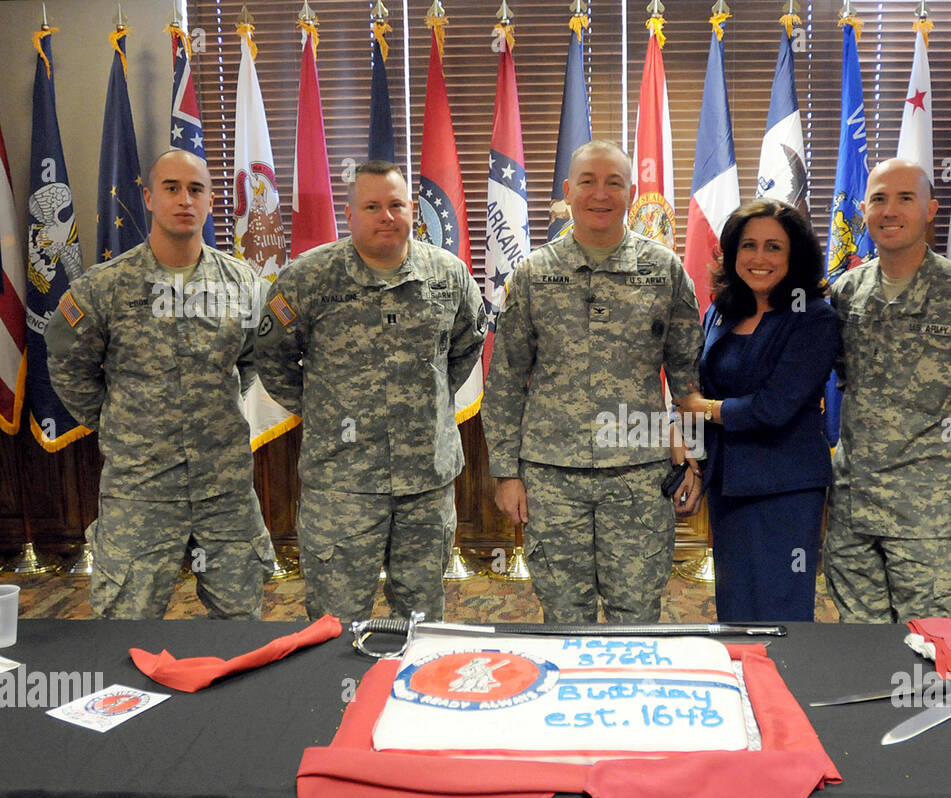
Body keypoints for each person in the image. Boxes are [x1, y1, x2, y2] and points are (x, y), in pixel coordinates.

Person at [254, 159, 486, 625]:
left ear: (411, 210)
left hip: (426, 483)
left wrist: (429, 403)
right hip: (342, 486)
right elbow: (272, 357)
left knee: (422, 619)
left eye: (396, 205)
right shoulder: (309, 278)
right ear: (350, 213)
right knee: (334, 624)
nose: (387, 216)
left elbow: (467, 346)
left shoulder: (449, 276)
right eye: (373, 206)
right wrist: (322, 409)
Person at [45, 149, 274, 619]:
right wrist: (116, 421)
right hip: (141, 490)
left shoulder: (244, 285)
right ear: (149, 198)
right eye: (171, 188)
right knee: (124, 632)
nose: (184, 199)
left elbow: (252, 362)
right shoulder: (104, 288)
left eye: (196, 189)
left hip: (223, 489)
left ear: (212, 201)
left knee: (242, 628)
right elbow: (69, 366)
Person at [481, 139, 702, 623]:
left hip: (640, 476)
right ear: (567, 191)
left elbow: (688, 380)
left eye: (613, 182)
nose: (600, 194)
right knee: (564, 619)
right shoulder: (534, 274)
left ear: (632, 191)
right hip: (551, 476)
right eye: (587, 182)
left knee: (638, 617)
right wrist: (505, 472)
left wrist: (695, 460)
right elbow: (504, 380)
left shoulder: (664, 271)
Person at [825, 157, 951, 623]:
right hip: (855, 500)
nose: (890, 210)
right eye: (879, 199)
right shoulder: (847, 292)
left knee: (934, 643)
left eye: (904, 198)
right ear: (864, 209)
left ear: (931, 209)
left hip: (930, 510)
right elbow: (839, 370)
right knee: (857, 636)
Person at [672, 200, 838, 621]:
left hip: (785, 488)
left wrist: (703, 408)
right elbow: (696, 388)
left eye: (773, 247)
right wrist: (693, 465)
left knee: (780, 607)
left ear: (794, 255)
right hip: (730, 484)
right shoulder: (722, 311)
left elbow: (773, 408)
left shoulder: (814, 318)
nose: (758, 258)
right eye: (748, 245)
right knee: (735, 605)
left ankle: (782, 685)